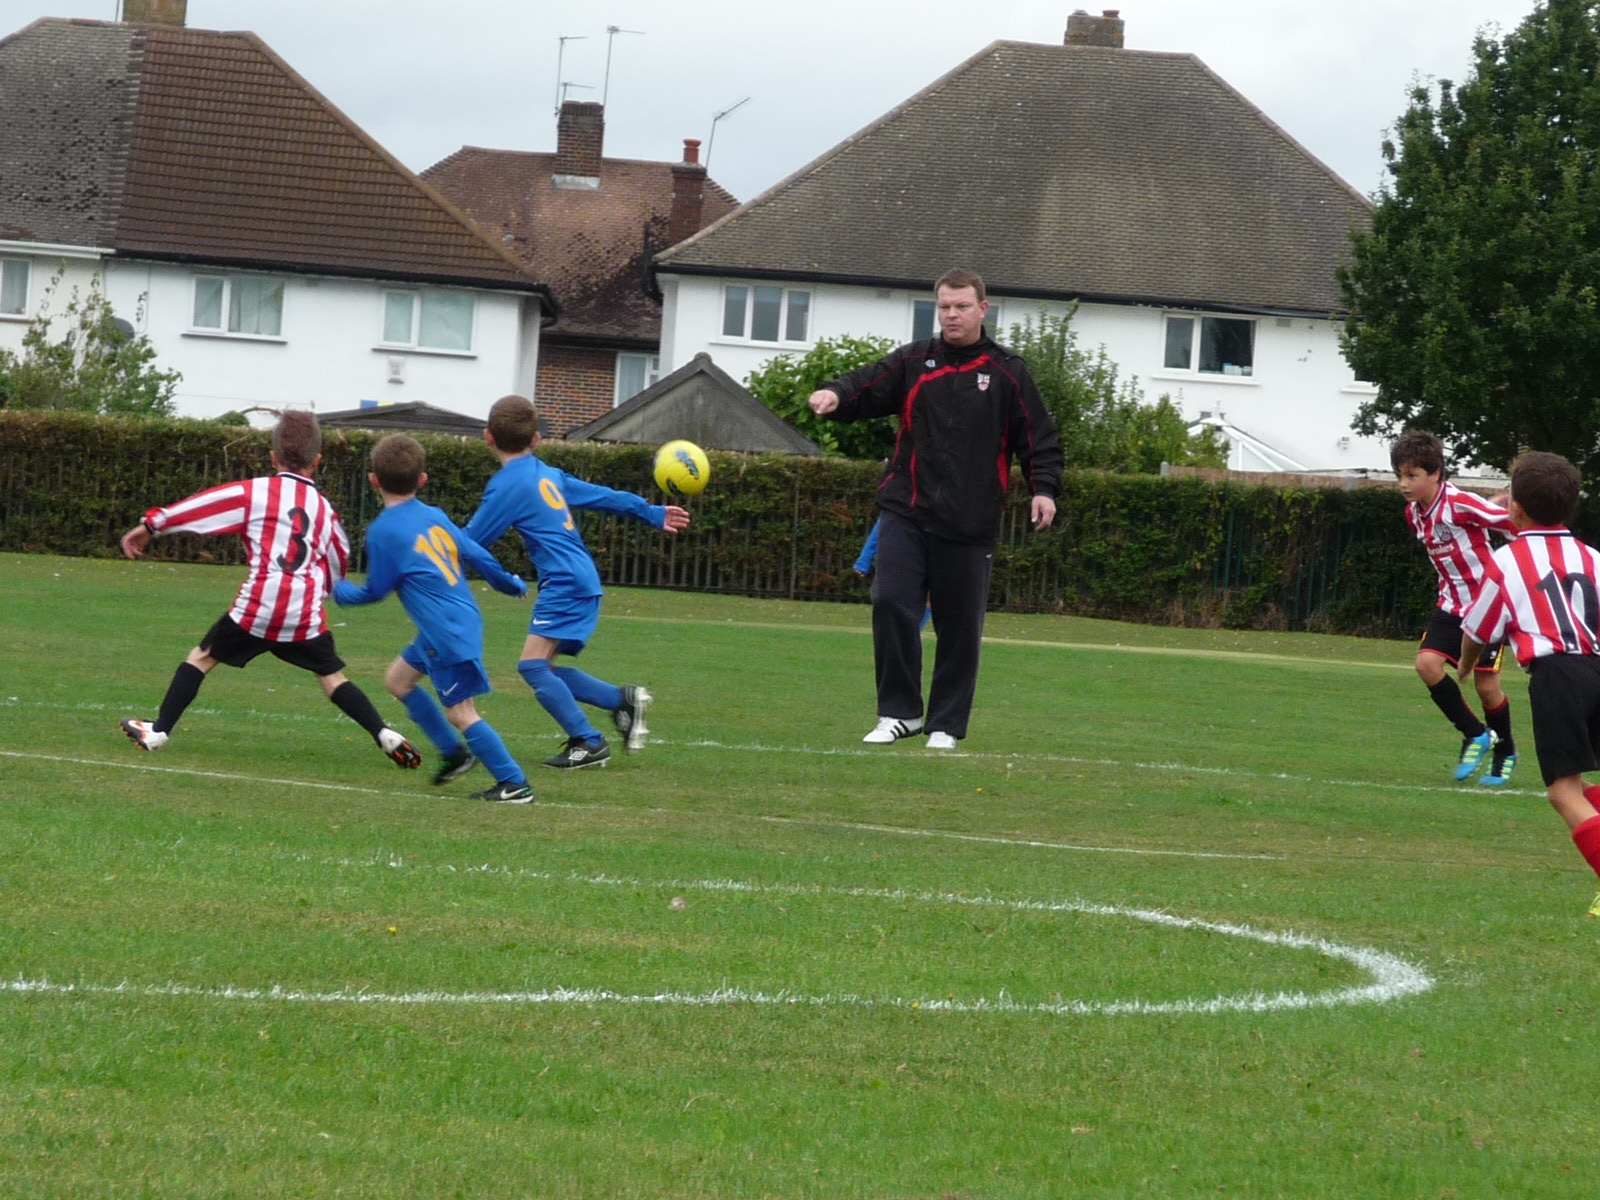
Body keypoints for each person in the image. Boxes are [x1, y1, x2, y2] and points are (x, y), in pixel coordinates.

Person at [809, 267, 1062, 749]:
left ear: (982, 309)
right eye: (944, 306)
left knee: (959, 629)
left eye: (961, 306)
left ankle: (944, 725)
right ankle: (899, 713)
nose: (951, 315)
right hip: (906, 510)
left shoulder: (1009, 371)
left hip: (971, 522)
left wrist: (1043, 488)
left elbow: (1039, 440)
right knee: (889, 602)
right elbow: (865, 385)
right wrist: (835, 394)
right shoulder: (913, 361)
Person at [117, 410, 420, 770]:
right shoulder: (324, 509)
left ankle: (158, 731)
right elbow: (339, 554)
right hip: (303, 612)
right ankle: (385, 734)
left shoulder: (257, 492)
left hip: (259, 607)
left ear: (273, 457)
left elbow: (203, 507)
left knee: (203, 656)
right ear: (317, 460)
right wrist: (326, 587)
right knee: (332, 678)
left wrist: (152, 526)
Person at [463, 394, 690, 769]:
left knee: (533, 667)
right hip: (578, 579)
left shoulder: (508, 485)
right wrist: (650, 511)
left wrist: (428, 544)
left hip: (565, 583)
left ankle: (588, 741)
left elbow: (470, 544)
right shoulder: (546, 474)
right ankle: (622, 700)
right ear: (536, 439)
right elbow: (603, 496)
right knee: (544, 668)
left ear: (487, 437)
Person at [332, 434, 535, 804]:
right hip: (456, 620)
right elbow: (477, 554)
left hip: (445, 633)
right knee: (398, 680)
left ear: (373, 480)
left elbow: (375, 591)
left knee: (461, 712)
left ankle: (514, 782)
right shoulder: (435, 515)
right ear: (422, 480)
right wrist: (509, 584)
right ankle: (453, 753)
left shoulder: (383, 531)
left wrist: (337, 589)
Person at [1458, 451, 1600, 916]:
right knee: (1584, 787)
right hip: (1597, 666)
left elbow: (1479, 630)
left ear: (1513, 508)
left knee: (1563, 791)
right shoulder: (1592, 557)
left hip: (1558, 674)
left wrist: (1463, 664)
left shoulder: (1509, 559)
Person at [1392, 430, 1519, 784]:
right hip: (1450, 603)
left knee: (1486, 687)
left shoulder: (1459, 503)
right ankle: (1475, 733)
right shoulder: (1413, 514)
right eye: (1400, 476)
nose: (1403, 484)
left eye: (1412, 476)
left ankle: (1505, 750)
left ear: (1435, 473)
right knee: (1426, 664)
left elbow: (1508, 521)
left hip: (1487, 607)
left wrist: (1517, 559)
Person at [854, 518, 931, 632]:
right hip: (905, 552)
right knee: (892, 598)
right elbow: (883, 524)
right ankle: (907, 637)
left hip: (934, 546)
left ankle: (910, 636)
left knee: (929, 598)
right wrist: (864, 558)